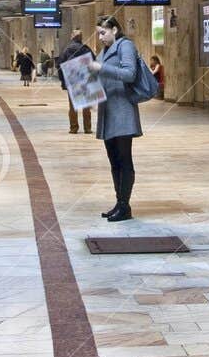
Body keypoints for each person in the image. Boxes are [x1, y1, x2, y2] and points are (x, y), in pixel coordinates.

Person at [86, 16, 145, 220]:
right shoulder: (104, 50)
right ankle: (119, 202)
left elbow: (129, 73)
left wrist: (101, 68)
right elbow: (99, 75)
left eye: (103, 33)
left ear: (115, 30)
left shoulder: (125, 46)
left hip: (122, 110)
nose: (100, 37)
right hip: (108, 110)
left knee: (124, 158)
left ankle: (124, 206)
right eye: (98, 34)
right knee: (114, 161)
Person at [56, 30, 93, 135]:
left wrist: (63, 80)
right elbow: (93, 63)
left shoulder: (67, 50)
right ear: (81, 38)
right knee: (86, 105)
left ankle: (74, 128)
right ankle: (87, 128)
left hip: (72, 79)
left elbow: (59, 65)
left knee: (72, 106)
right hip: (84, 79)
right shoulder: (86, 49)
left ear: (72, 37)